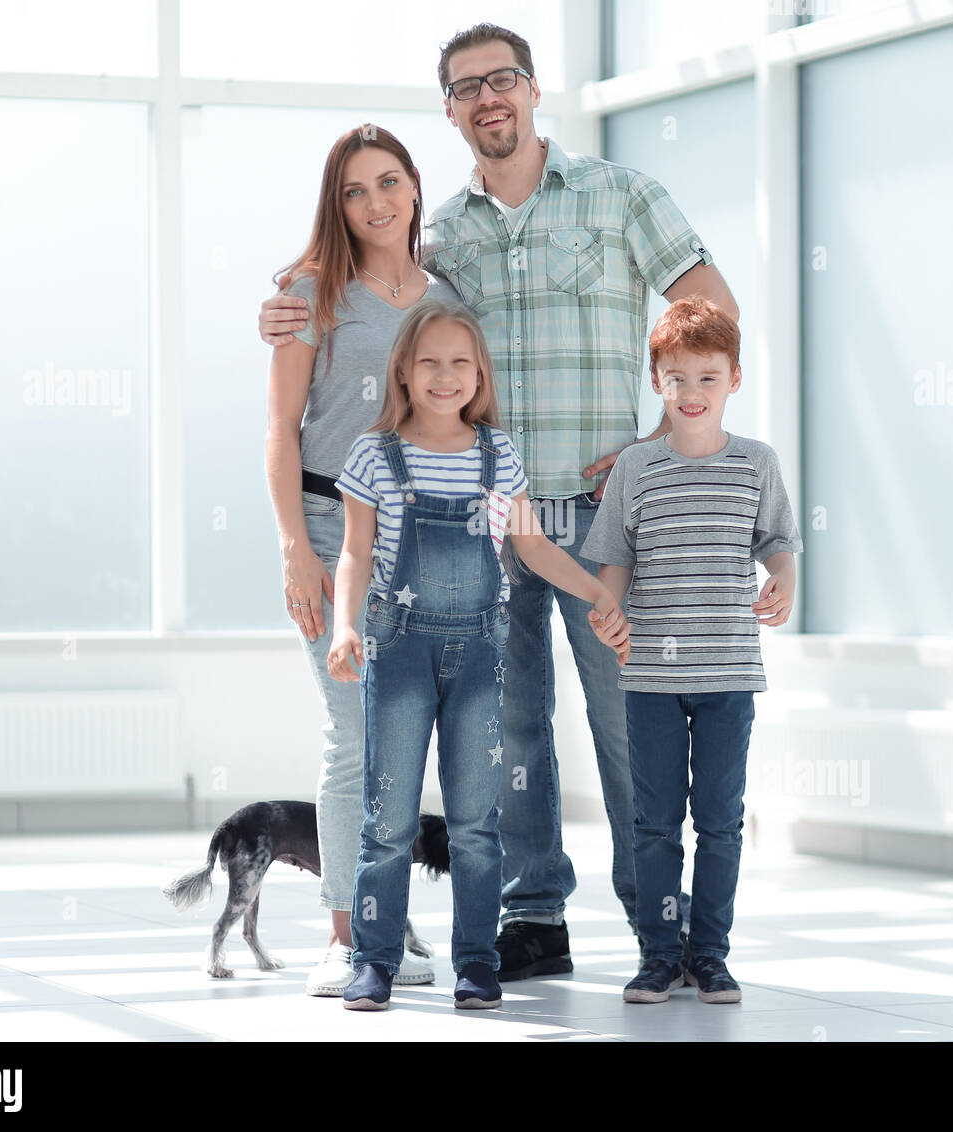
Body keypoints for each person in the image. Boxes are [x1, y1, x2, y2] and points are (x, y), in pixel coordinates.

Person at [259, 23, 740, 980]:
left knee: (627, 720)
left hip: (603, 522)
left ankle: (665, 928)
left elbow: (711, 314)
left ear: (531, 88)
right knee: (509, 728)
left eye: (504, 79)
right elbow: (366, 302)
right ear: (449, 110)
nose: (489, 98)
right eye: (467, 87)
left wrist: (658, 440)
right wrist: (283, 305)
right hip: (485, 525)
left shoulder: (620, 195)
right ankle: (532, 918)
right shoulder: (448, 241)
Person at [326, 300, 629, 1010]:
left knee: (475, 824)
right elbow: (354, 553)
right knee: (388, 819)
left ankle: (476, 962)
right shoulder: (374, 455)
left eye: (460, 362)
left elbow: (531, 547)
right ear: (403, 370)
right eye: (429, 361)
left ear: (480, 374)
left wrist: (596, 595)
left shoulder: (498, 454)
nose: (445, 375)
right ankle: (372, 959)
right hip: (398, 653)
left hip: (479, 661)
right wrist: (344, 626)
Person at [265, 123, 469, 995]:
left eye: (389, 183)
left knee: (400, 741)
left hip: (418, 536)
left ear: (416, 188)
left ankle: (387, 914)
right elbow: (279, 427)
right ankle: (347, 936)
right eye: (355, 190)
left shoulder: (445, 292)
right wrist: (292, 551)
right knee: (352, 733)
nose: (376, 203)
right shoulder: (312, 290)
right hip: (323, 528)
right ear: (336, 204)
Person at [583, 296, 802, 1004]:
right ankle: (657, 953)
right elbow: (613, 559)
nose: (691, 393)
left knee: (719, 821)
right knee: (653, 823)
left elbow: (778, 545)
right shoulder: (636, 470)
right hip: (648, 676)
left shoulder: (757, 464)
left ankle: (708, 954)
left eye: (707, 377)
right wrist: (607, 610)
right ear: (657, 382)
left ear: (734, 378)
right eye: (676, 378)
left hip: (730, 675)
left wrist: (785, 584)